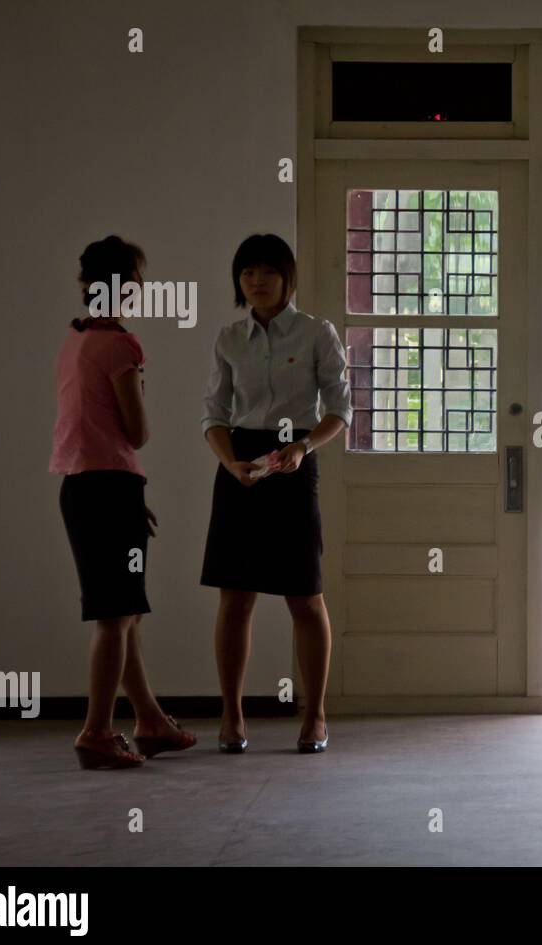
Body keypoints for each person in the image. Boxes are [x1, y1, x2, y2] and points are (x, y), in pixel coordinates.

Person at [200, 234, 352, 754]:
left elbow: (340, 410)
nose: (257, 282)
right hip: (239, 465)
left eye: (267, 272)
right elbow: (214, 416)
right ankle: (232, 716)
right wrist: (230, 463)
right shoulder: (228, 338)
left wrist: (304, 448)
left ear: (289, 278)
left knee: (305, 598)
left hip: (293, 464)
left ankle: (315, 715)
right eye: (247, 273)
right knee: (235, 598)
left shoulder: (316, 333)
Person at [50, 235, 198, 769]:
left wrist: (130, 496)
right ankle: (96, 732)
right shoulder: (120, 345)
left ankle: (150, 720)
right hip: (108, 488)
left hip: (86, 486)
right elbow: (137, 432)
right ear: (129, 286)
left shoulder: (75, 340)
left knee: (126, 611)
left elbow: (96, 433)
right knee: (116, 616)